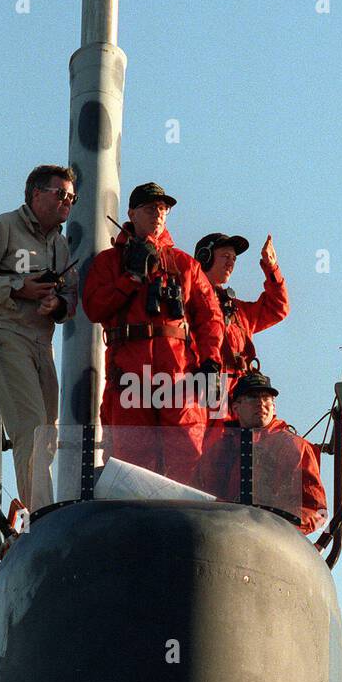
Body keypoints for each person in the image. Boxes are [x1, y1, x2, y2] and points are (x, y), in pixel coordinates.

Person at [82, 182, 224, 481]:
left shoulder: (185, 264)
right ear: (131, 213)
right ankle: (135, 520)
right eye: (150, 208)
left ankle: (184, 519)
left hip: (178, 378)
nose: (158, 214)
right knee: (131, 459)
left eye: (163, 209)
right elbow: (94, 308)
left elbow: (210, 316)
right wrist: (131, 278)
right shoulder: (110, 262)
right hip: (131, 378)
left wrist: (210, 361)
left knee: (186, 454)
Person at [0, 165, 79, 509]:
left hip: (41, 341)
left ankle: (41, 504)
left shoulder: (60, 245)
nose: (67, 202)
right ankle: (41, 512)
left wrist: (57, 304)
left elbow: (71, 299)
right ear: (36, 194)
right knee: (31, 427)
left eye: (72, 197)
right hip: (5, 332)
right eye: (61, 194)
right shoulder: (1, 227)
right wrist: (18, 287)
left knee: (49, 430)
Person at [196, 369, 327, 534]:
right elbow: (200, 499)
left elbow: (315, 509)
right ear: (236, 407)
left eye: (266, 398)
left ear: (274, 405)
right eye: (252, 397)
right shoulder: (219, 450)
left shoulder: (296, 447)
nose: (261, 403)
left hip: (272, 543)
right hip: (225, 537)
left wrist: (277, 530)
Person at [192, 231, 289, 404]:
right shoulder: (187, 303)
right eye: (225, 256)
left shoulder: (238, 311)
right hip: (204, 398)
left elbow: (277, 308)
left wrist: (271, 267)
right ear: (205, 257)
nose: (231, 263)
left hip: (241, 401)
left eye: (234, 259)